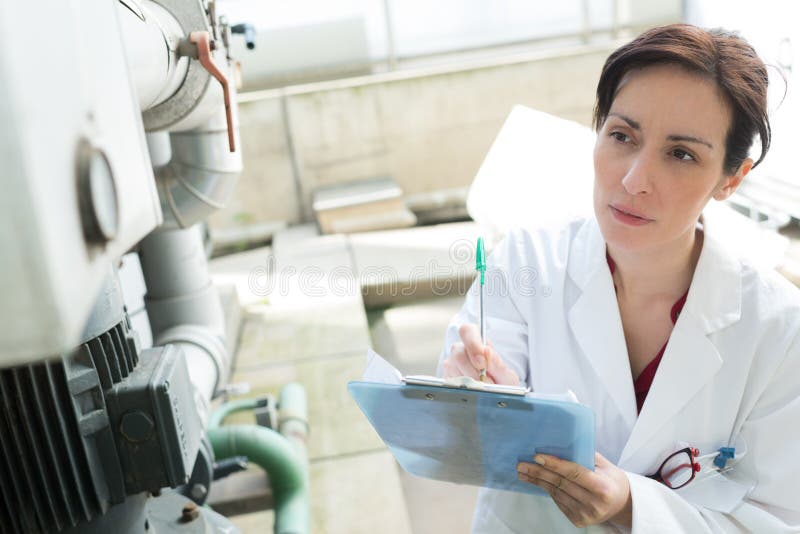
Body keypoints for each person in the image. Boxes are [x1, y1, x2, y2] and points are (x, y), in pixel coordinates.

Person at [439, 24, 800, 532]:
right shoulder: (526, 261)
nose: (633, 180)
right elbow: (463, 417)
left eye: (681, 154)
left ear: (731, 178)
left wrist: (634, 506)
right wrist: (470, 395)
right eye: (622, 136)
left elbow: (779, 522)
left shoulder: (781, 333)